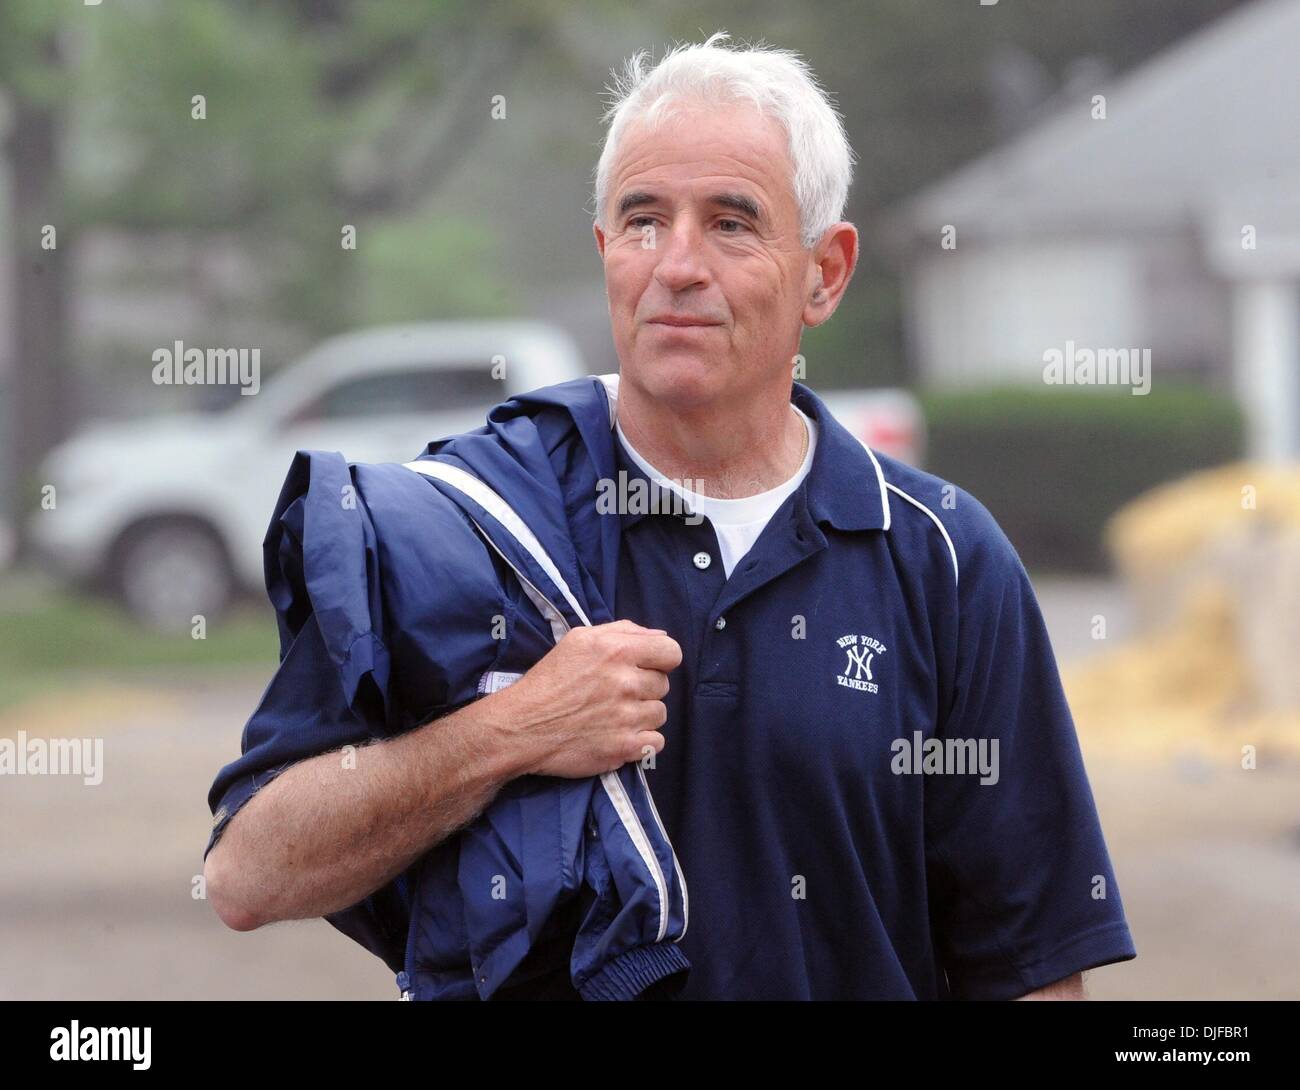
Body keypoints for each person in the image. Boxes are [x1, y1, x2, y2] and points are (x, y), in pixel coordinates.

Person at [205, 30, 1136, 1000]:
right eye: (644, 220)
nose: (677, 263)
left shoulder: (942, 557)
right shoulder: (469, 522)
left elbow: (1027, 963)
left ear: (824, 271)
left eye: (731, 222)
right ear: (607, 252)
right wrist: (511, 730)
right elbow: (248, 871)